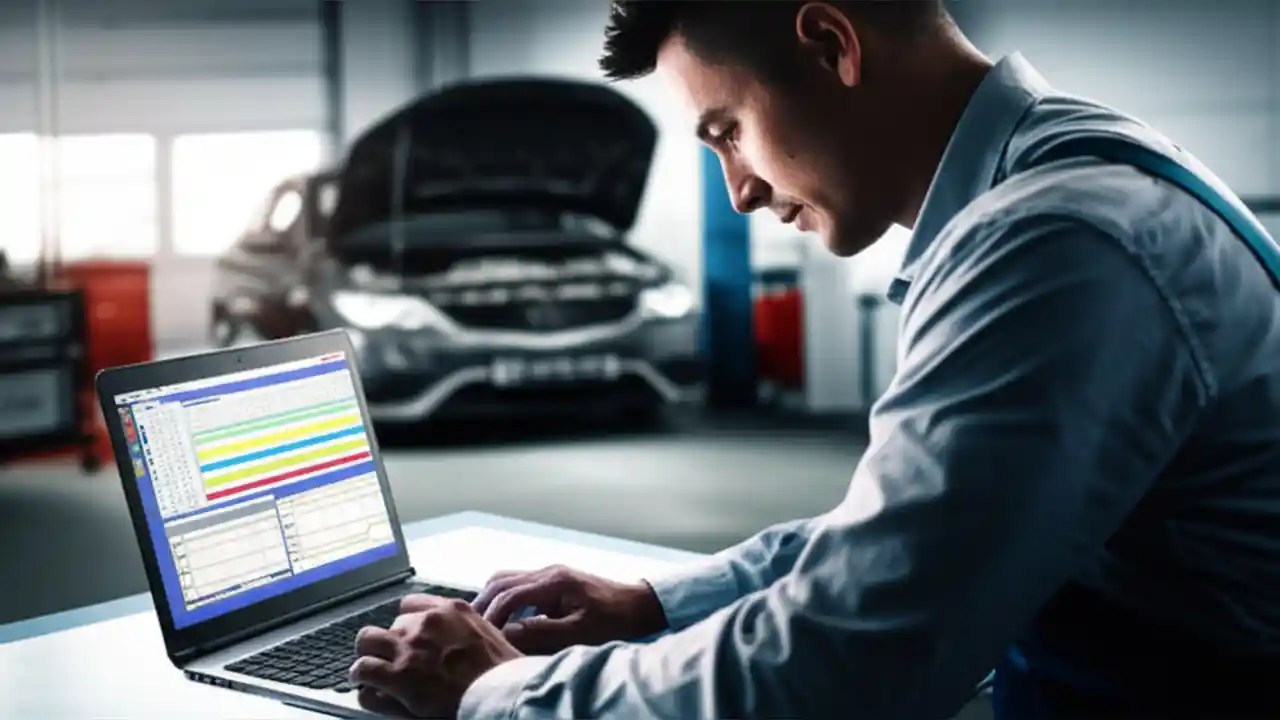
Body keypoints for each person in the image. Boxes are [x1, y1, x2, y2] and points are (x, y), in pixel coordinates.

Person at [349, 1, 1280, 717]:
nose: (742, 189)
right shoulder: (1069, 167)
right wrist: (652, 606)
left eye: (727, 133)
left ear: (832, 43)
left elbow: (849, 658)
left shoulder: (1055, 244)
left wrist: (496, 692)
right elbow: (909, 532)